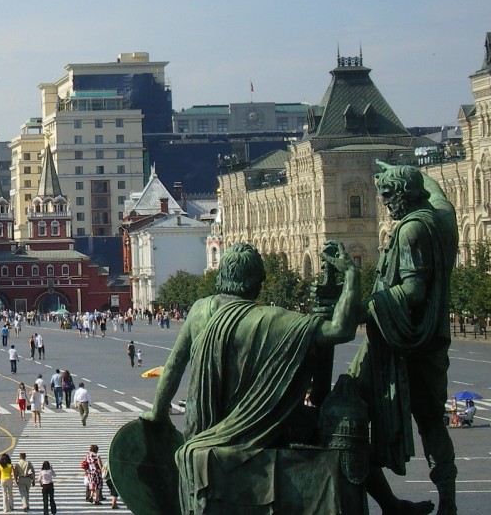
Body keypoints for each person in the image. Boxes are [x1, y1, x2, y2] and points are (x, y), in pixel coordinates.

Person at [141, 242, 364, 515]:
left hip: (203, 431)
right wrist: (352, 276)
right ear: (257, 282)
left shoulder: (200, 310)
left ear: (221, 276)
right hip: (267, 430)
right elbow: (340, 330)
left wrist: (157, 414)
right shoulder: (275, 320)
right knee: (346, 428)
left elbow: (173, 367)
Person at [351, 163, 459, 515]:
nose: (383, 203)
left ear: (405, 193)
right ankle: (448, 504)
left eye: (387, 194)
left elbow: (413, 289)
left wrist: (363, 306)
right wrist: (403, 164)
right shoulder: (438, 219)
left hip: (401, 342)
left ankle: (389, 503)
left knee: (346, 415)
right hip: (427, 344)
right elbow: (442, 198)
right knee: (432, 422)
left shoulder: (412, 230)